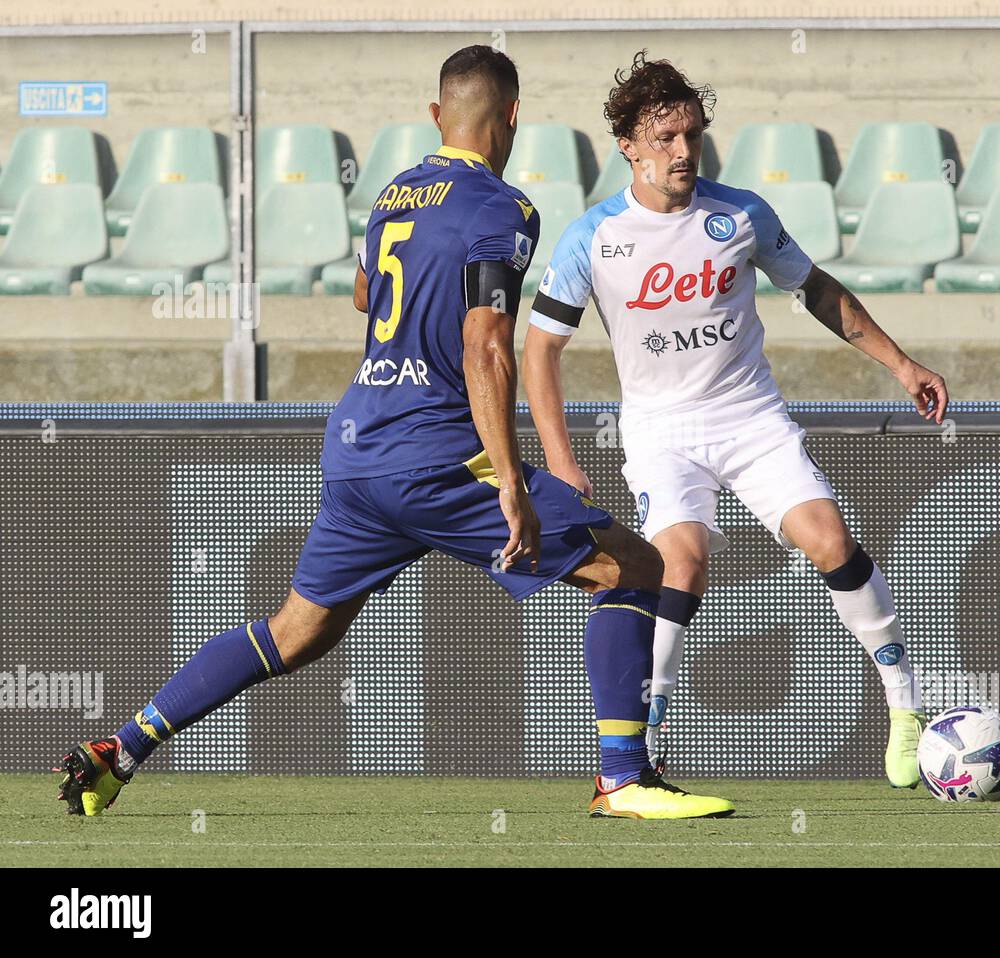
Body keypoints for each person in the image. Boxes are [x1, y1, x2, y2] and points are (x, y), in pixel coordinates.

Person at [56, 45, 733, 821]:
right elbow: (486, 344)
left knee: (295, 633)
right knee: (636, 566)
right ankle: (624, 778)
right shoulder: (501, 209)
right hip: (439, 456)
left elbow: (362, 293)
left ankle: (123, 747)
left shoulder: (393, 195)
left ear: (438, 115)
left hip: (357, 448)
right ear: (512, 116)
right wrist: (512, 479)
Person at [523, 52, 948, 788]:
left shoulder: (740, 213)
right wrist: (560, 460)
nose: (683, 151)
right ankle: (646, 734)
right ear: (628, 145)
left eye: (692, 135)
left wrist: (901, 364)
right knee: (678, 563)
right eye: (665, 138)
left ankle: (903, 699)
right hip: (660, 431)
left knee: (831, 542)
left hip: (750, 418)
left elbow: (815, 289)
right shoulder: (592, 237)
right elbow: (539, 351)